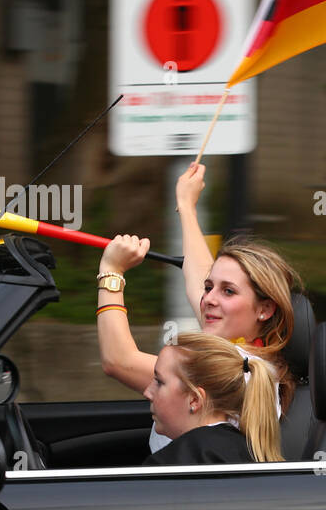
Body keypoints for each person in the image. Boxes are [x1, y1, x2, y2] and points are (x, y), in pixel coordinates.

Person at [96, 164, 302, 424]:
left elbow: (118, 361)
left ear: (265, 309)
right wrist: (187, 205)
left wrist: (112, 271)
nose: (209, 299)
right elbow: (199, 275)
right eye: (209, 288)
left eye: (228, 291)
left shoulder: (226, 371)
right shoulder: (254, 361)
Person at [141, 332, 283, 466]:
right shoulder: (245, 450)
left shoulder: (176, 462)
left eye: (159, 382)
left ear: (195, 399)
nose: (147, 392)